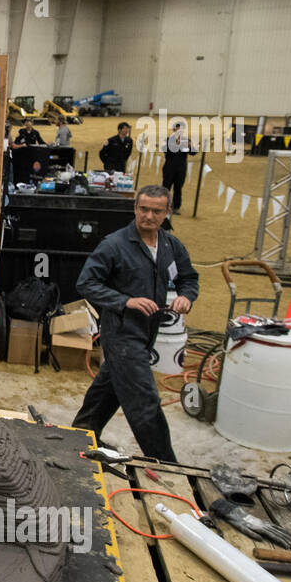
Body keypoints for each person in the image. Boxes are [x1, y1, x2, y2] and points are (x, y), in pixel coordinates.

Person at [72, 185, 199, 463]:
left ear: (166, 213)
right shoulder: (114, 245)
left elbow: (188, 278)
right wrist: (124, 301)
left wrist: (186, 297)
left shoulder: (170, 245)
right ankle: (167, 463)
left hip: (147, 333)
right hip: (121, 334)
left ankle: (79, 436)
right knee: (145, 402)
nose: (148, 216)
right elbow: (86, 283)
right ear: (135, 209)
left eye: (156, 211)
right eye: (143, 209)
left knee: (108, 389)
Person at [162, 121, 194, 213]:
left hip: (181, 168)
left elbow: (193, 152)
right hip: (169, 167)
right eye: (178, 128)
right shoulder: (168, 140)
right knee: (166, 187)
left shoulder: (186, 140)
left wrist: (190, 147)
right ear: (174, 129)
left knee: (178, 188)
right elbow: (166, 151)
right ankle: (163, 205)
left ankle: (176, 207)